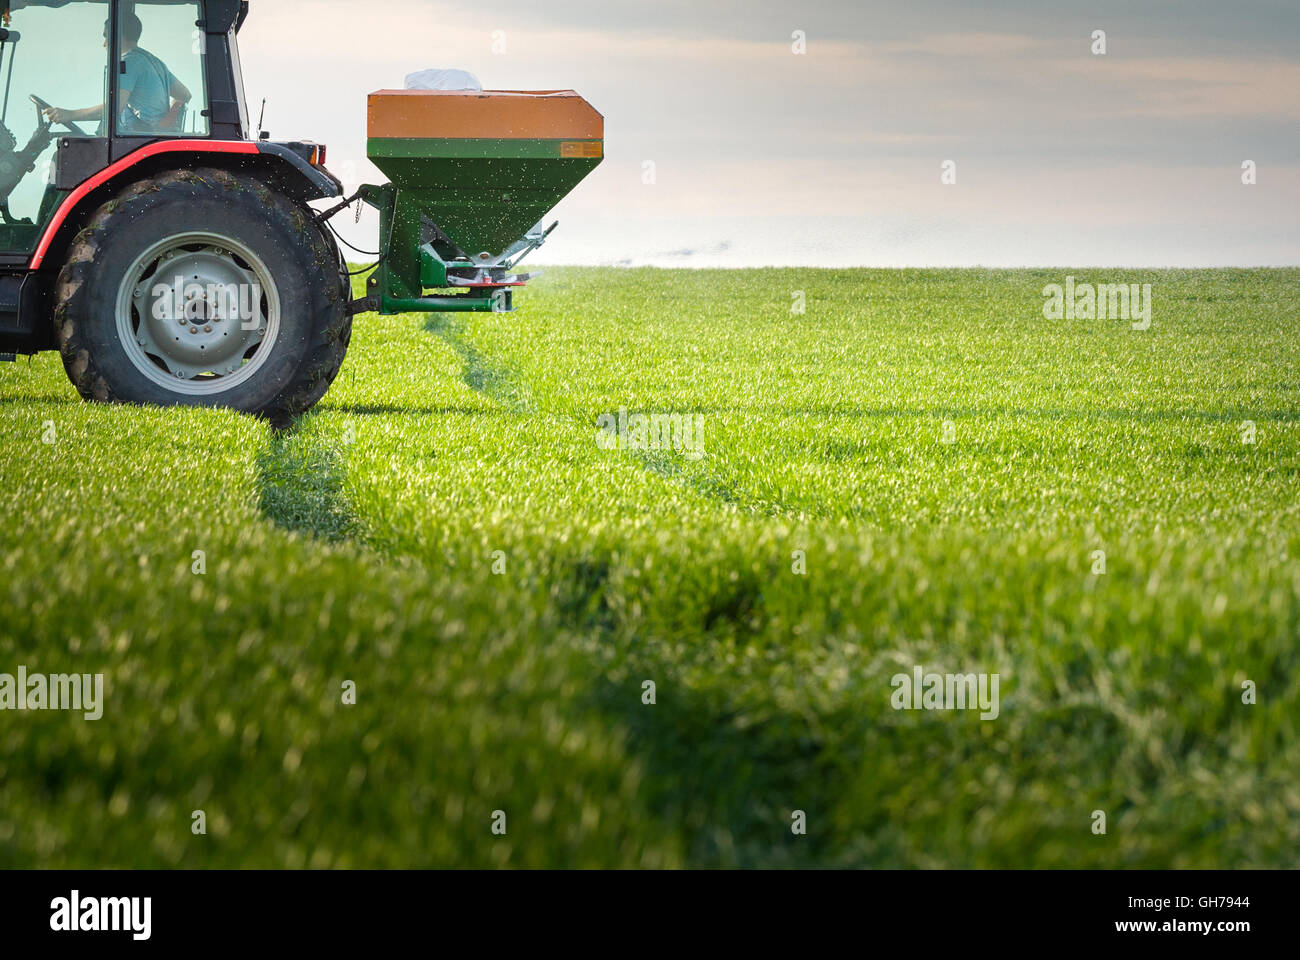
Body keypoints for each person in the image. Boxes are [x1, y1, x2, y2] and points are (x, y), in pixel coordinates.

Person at [43, 14, 191, 134]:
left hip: (138, 137)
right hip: (148, 134)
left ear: (118, 34)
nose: (104, 43)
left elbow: (115, 108)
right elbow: (184, 95)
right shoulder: (154, 62)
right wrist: (166, 124)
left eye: (106, 36)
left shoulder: (126, 62)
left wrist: (70, 115)